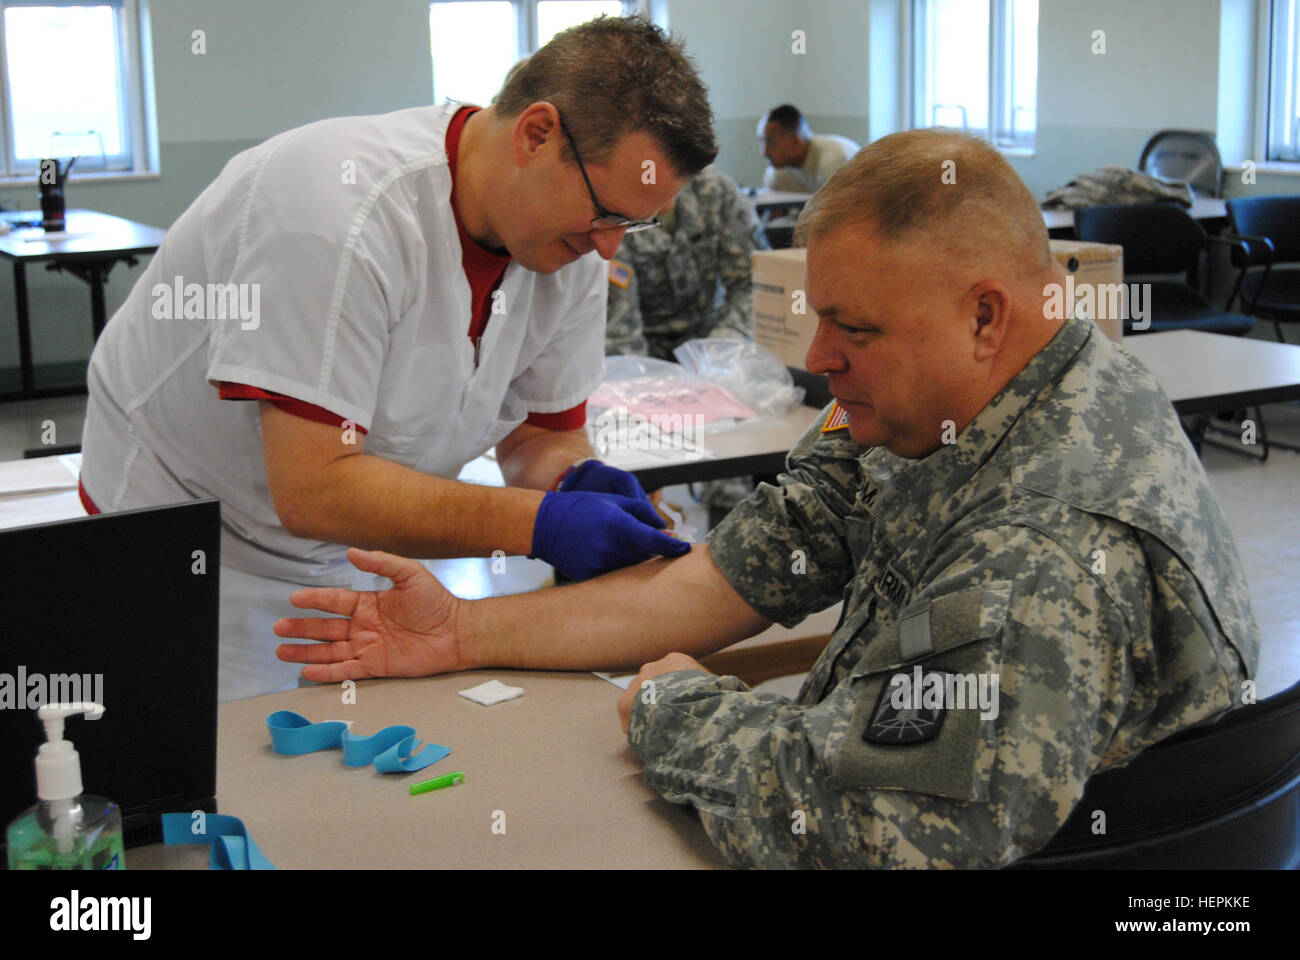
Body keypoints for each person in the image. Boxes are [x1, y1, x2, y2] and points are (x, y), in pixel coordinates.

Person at [274, 129, 1259, 869]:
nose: (818, 359)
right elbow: (723, 580)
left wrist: (676, 711)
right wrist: (465, 633)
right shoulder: (937, 403)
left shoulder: (1048, 535)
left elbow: (879, 824)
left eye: (853, 329)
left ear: (983, 318)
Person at [79, 16, 717, 702]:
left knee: (343, 764)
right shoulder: (333, 209)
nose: (611, 247)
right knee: (208, 777)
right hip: (194, 541)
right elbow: (314, 486)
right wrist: (542, 525)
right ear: (536, 134)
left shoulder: (566, 245)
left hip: (348, 542)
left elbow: (538, 433)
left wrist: (575, 480)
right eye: (606, 215)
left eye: (634, 224)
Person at [605, 165, 768, 361]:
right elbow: (620, 333)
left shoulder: (716, 192)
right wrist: (644, 383)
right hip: (646, 354)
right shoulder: (611, 205)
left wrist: (722, 348)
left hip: (714, 343)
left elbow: (756, 284)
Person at [758, 104, 859, 193]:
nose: (764, 152)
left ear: (796, 142)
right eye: (762, 142)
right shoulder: (778, 172)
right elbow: (775, 213)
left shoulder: (833, 160)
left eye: (771, 143)